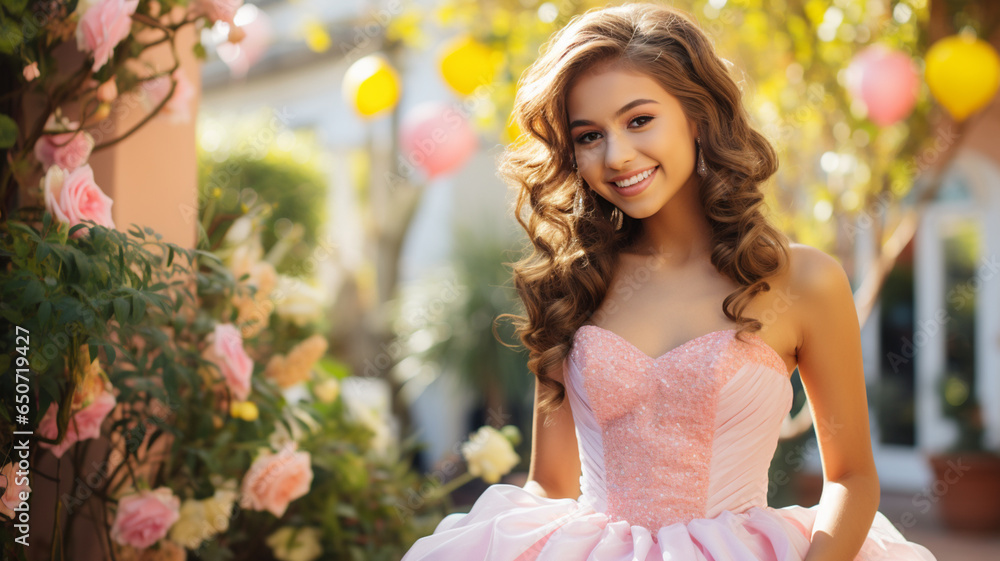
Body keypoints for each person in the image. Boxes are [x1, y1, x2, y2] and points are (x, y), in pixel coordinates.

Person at [402, 3, 938, 559]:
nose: (617, 155)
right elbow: (551, 485)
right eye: (589, 135)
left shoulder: (802, 281)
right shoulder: (573, 286)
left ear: (698, 115)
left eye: (639, 120)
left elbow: (851, 477)